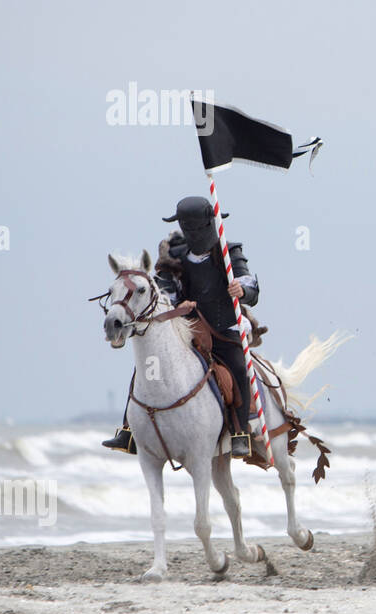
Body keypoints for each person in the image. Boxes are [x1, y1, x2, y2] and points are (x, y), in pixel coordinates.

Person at [102, 196, 264, 464]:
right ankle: (128, 431)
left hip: (223, 327)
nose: (193, 232)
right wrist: (177, 302)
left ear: (209, 224)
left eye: (196, 226)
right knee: (147, 363)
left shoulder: (228, 251)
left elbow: (250, 284)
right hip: (186, 325)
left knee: (237, 366)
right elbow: (162, 289)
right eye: (187, 226)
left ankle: (240, 432)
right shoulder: (174, 254)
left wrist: (242, 289)